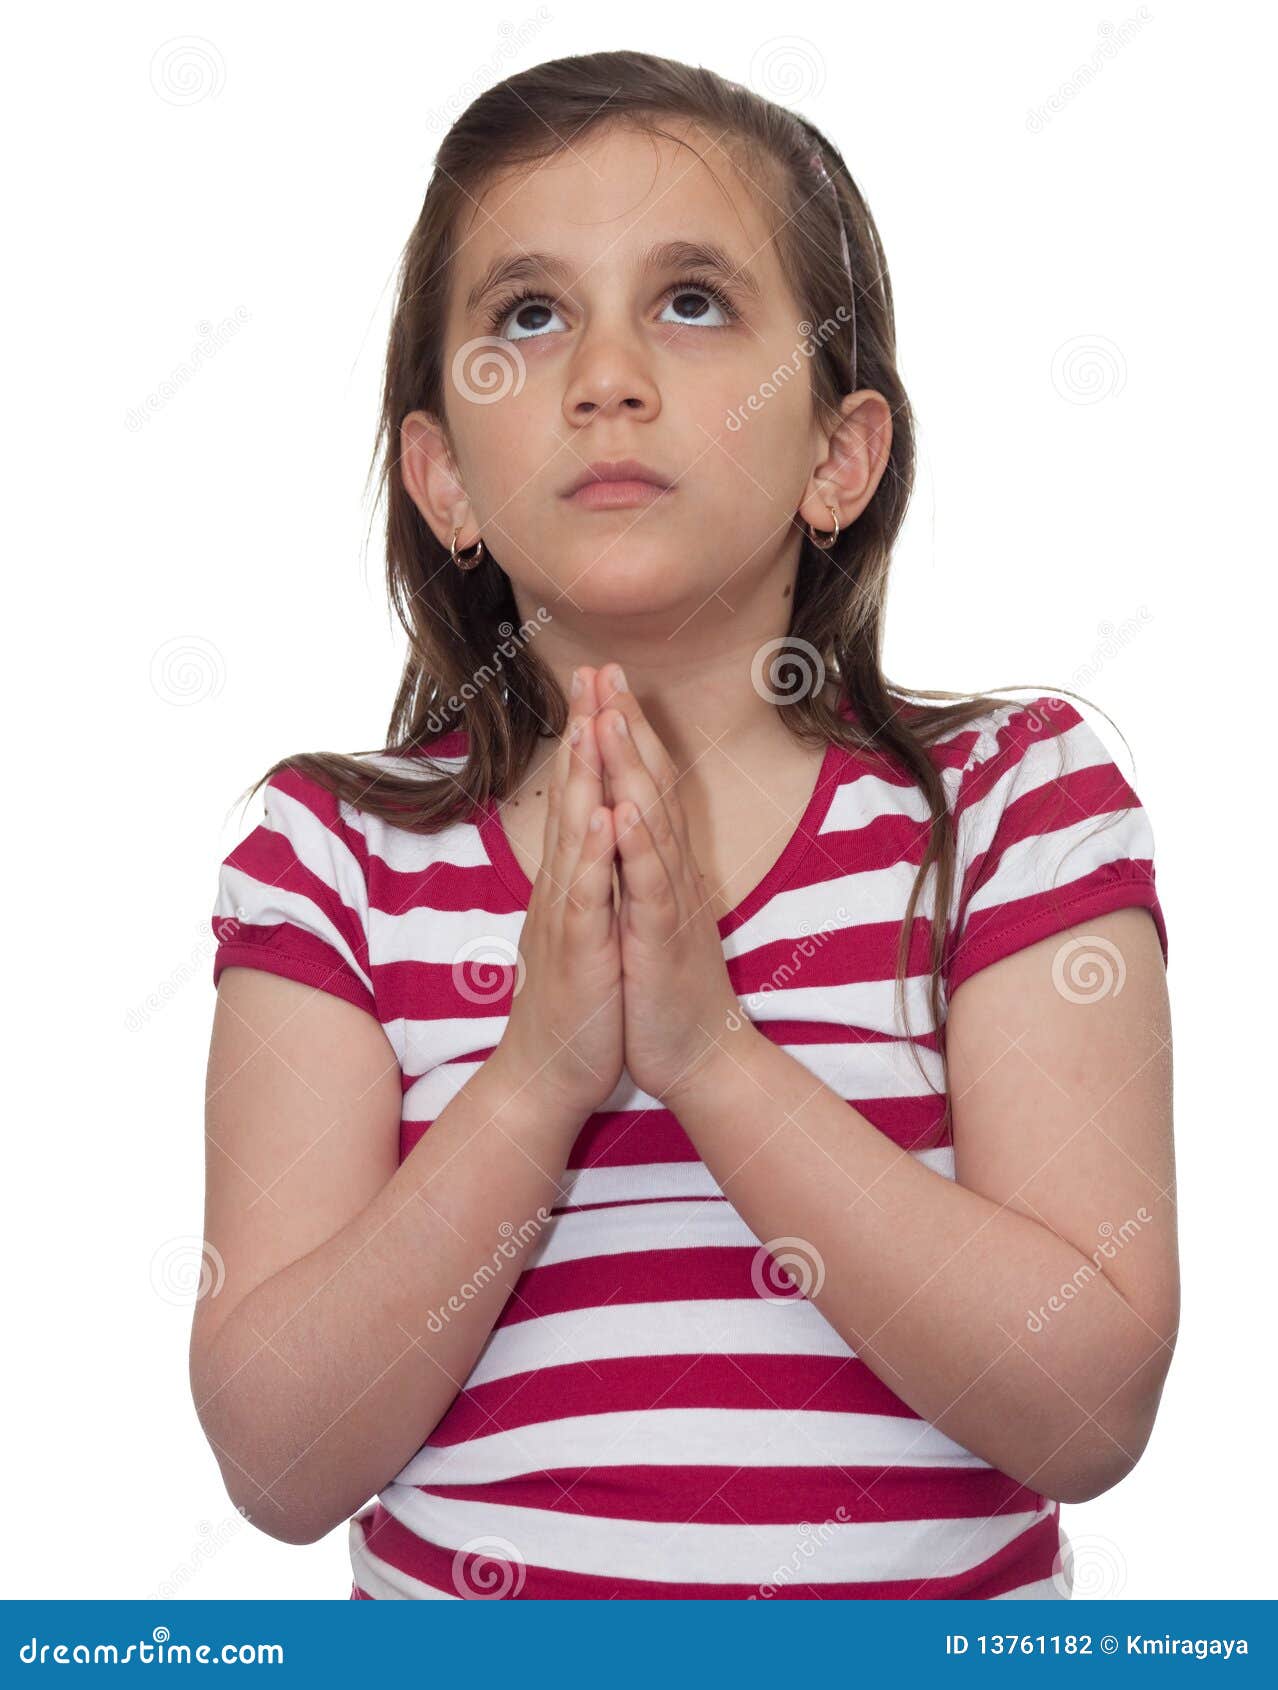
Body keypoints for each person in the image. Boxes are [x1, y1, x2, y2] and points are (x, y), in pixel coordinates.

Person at [190, 49, 1176, 1600]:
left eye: (693, 301)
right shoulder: (332, 855)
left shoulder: (1010, 805)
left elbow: (1087, 1406)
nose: (604, 374)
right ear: (441, 477)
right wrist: (533, 1081)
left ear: (837, 454)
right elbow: (277, 1460)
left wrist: (713, 1056)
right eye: (528, 315)